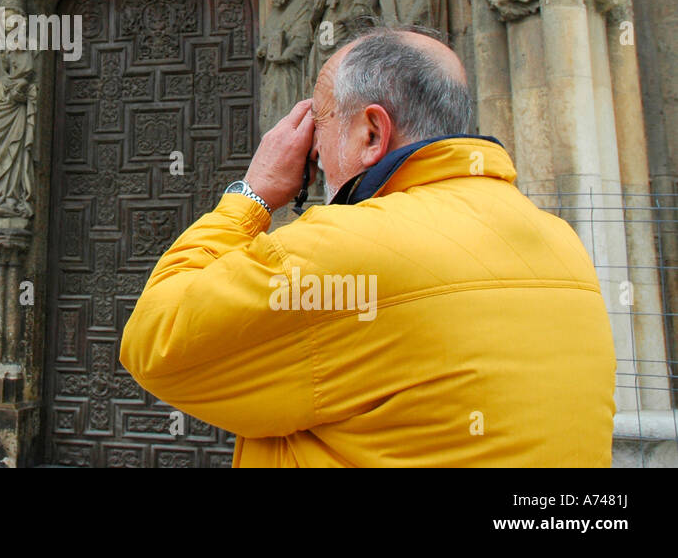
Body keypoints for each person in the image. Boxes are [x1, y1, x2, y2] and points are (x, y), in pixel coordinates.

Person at [121, 26, 616, 467]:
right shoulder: (562, 243)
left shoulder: (339, 249)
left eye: (320, 122)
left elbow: (154, 340)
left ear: (372, 133)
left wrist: (252, 195)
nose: (311, 149)